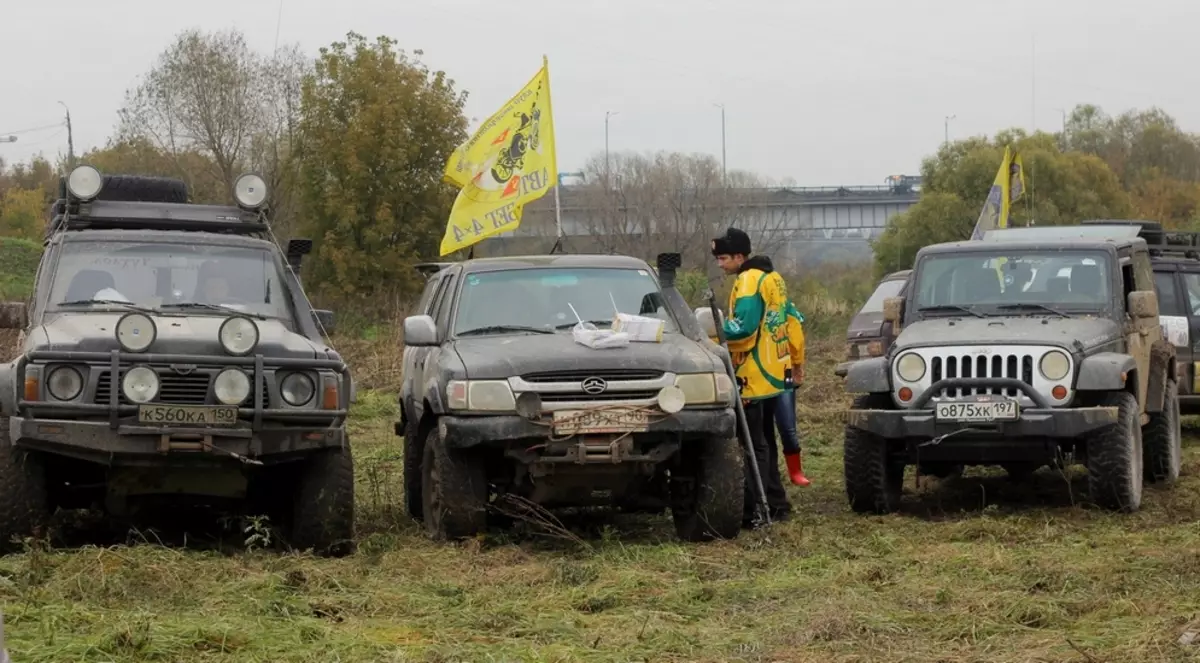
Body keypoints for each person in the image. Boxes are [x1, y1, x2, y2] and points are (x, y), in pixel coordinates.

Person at [710, 227, 793, 525]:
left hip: (752, 374)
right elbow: (793, 318)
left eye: (723, 258)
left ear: (740, 256)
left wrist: (713, 333)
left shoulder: (747, 280)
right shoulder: (772, 277)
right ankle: (777, 502)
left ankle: (755, 510)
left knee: (753, 444)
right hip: (774, 371)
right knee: (767, 441)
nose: (720, 264)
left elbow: (743, 327)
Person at [774, 297, 812, 487]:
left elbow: (796, 338)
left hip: (782, 370)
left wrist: (797, 365)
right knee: (764, 430)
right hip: (754, 373)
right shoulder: (743, 299)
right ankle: (772, 473)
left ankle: (795, 471)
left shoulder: (784, 306)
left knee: (787, 426)